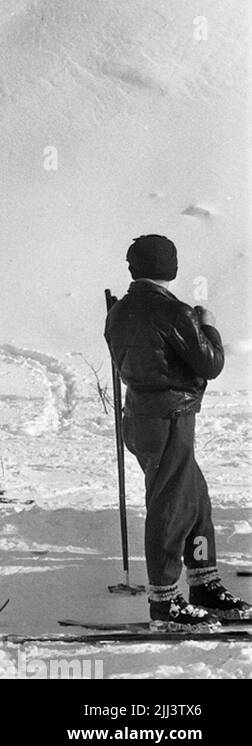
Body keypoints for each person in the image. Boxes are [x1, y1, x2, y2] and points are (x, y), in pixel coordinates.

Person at [105, 235, 250, 629]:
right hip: (170, 417)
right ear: (171, 267)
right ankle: (165, 601)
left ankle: (204, 582)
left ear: (133, 266)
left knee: (194, 499)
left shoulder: (117, 311)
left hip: (139, 416)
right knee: (171, 508)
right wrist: (209, 328)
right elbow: (211, 363)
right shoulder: (174, 312)